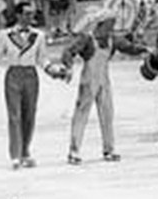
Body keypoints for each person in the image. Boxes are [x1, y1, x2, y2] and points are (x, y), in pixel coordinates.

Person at [59, 10, 145, 164]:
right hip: (88, 79)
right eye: (110, 24)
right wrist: (69, 67)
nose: (112, 27)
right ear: (101, 24)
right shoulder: (87, 38)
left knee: (107, 113)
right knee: (82, 113)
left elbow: (128, 47)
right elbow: (68, 51)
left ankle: (109, 149)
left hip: (104, 80)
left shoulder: (112, 39)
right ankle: (74, 150)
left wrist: (144, 50)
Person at [0, 3, 55, 169]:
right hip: (13, 75)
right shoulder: (5, 35)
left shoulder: (39, 35)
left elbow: (43, 59)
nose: (31, 17)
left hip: (31, 75)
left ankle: (25, 151)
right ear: (18, 15)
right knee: (14, 116)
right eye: (27, 14)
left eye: (32, 14)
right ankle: (15, 154)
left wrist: (53, 71)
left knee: (29, 115)